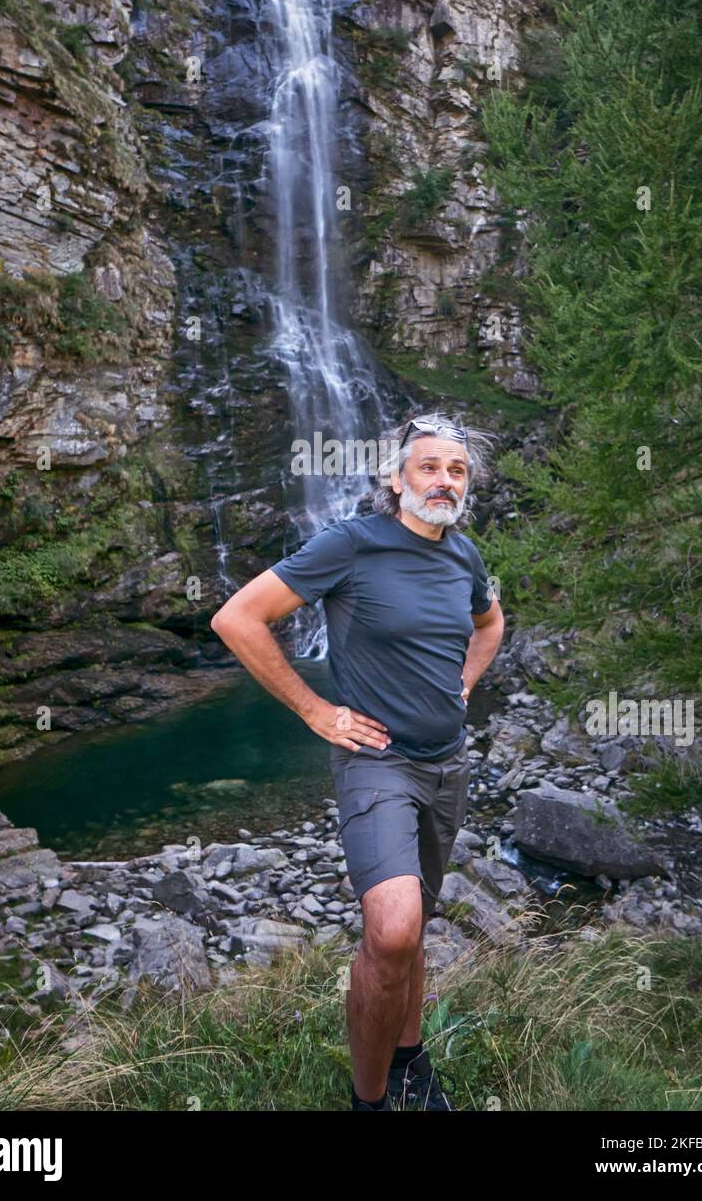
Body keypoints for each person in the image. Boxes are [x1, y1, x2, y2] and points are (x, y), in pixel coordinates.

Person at [210, 413, 505, 1110]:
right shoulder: (351, 544)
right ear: (395, 478)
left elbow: (489, 623)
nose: (443, 480)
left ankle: (409, 1062)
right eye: (428, 466)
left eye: (456, 470)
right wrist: (315, 710)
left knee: (416, 926)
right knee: (394, 927)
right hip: (379, 763)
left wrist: (462, 683)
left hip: (447, 764)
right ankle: (368, 1100)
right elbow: (236, 618)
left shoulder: (461, 556)